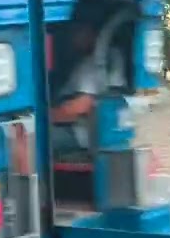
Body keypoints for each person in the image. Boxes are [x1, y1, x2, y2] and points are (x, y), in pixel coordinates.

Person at [48, 19, 126, 154]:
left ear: (91, 33)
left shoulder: (94, 63)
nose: (72, 38)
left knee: (32, 140)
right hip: (90, 130)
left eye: (77, 32)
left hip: (78, 133)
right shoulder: (113, 55)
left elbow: (82, 105)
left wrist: (42, 117)